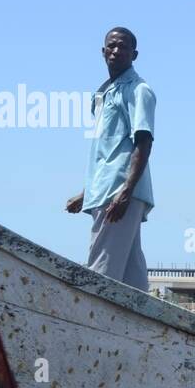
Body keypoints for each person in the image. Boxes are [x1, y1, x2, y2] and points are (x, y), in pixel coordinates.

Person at [65, 27, 156, 291]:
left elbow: (143, 141)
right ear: (103, 51)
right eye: (112, 46)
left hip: (118, 192)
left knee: (100, 273)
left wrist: (125, 191)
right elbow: (110, 150)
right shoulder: (105, 92)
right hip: (108, 189)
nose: (116, 51)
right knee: (130, 274)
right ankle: (143, 327)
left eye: (123, 47)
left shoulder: (138, 90)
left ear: (134, 54)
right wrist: (87, 191)